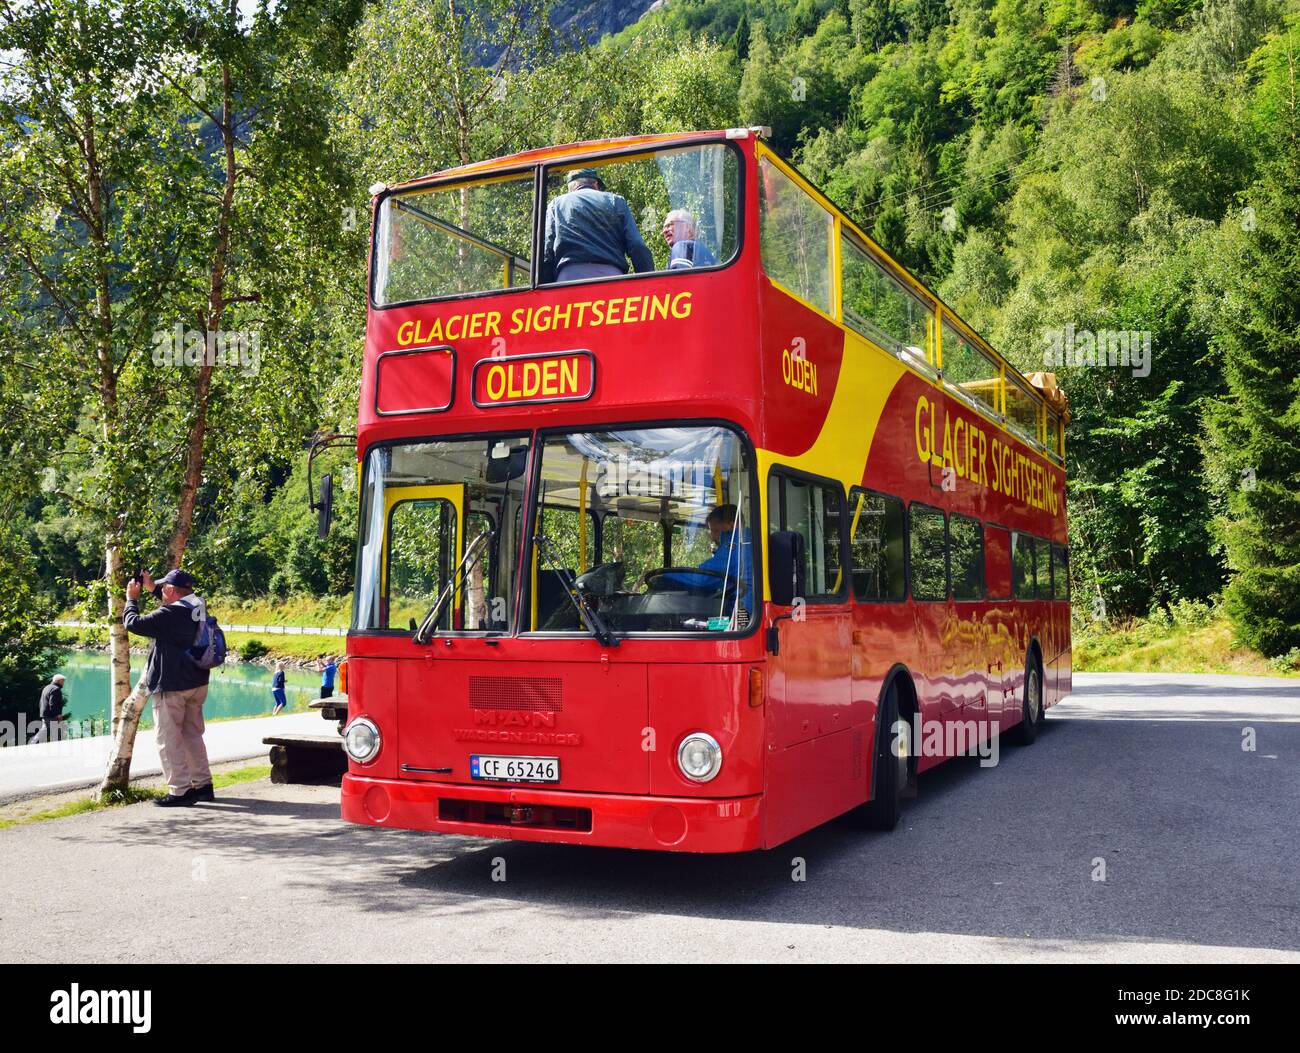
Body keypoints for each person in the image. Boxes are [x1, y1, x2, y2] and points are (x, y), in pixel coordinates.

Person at [123, 569, 213, 807]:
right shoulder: (198, 607)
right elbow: (172, 607)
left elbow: (133, 623)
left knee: (168, 738)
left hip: (172, 685)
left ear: (171, 591)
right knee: (193, 735)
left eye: (164, 588)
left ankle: (180, 791)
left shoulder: (170, 614)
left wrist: (132, 599)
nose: (161, 591)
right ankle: (203, 786)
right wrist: (153, 588)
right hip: (197, 682)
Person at [540, 168, 654, 284]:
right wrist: (648, 283)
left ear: (571, 187)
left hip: (568, 281)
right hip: (611, 281)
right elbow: (636, 245)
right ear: (595, 183)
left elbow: (546, 253)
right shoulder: (615, 201)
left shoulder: (556, 204)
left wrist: (546, 289)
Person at [651, 505, 752, 603]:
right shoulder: (749, 541)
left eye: (715, 531)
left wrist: (665, 575)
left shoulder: (735, 545)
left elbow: (704, 579)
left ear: (731, 525)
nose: (712, 537)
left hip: (741, 609)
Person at [34, 673, 67, 743]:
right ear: (59, 681)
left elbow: (41, 702)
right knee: (57, 733)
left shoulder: (47, 687)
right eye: (63, 681)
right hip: (51, 715)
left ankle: (33, 743)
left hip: (45, 714)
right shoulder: (56, 689)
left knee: (45, 731)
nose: (64, 683)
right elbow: (53, 703)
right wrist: (58, 714)